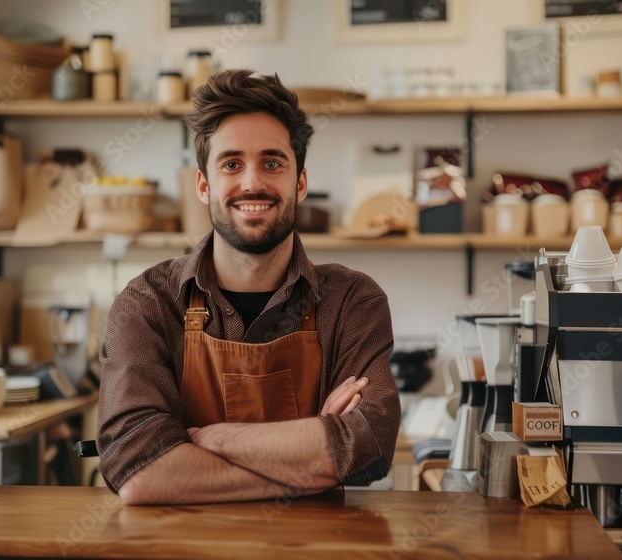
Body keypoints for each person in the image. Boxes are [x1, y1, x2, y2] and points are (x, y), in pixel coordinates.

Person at [96, 69, 400, 505]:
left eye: (272, 163)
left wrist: (207, 439)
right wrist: (313, 453)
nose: (252, 183)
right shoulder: (148, 303)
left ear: (300, 182)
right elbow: (139, 469)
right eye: (231, 164)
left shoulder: (352, 301)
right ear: (204, 185)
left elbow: (369, 448)